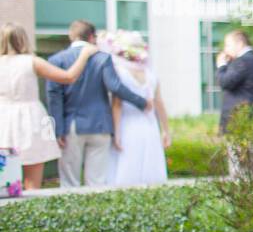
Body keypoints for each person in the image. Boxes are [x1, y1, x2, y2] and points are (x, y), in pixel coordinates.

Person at [46, 20, 152, 188]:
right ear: (91, 37)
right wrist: (142, 102)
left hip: (71, 126)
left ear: (71, 36)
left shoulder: (57, 60)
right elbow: (116, 86)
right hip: (100, 125)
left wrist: (57, 130)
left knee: (69, 183)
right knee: (97, 183)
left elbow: (54, 97)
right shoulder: (102, 58)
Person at [0, 22, 94, 190]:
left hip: (3, 120)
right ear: (22, 40)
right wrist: (84, 55)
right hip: (30, 119)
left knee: (3, 180)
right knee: (32, 181)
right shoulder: (32, 62)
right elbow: (68, 77)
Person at [102, 31, 169, 186]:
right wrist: (165, 130)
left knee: (126, 167)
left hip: (127, 124)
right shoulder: (151, 74)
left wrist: (116, 133)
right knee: (150, 167)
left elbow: (117, 105)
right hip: (150, 125)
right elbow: (160, 103)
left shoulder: (119, 72)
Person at [216, 29, 253, 133]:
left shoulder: (241, 62)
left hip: (239, 123)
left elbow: (224, 82)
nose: (225, 50)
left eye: (228, 45)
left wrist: (221, 65)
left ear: (240, 43)